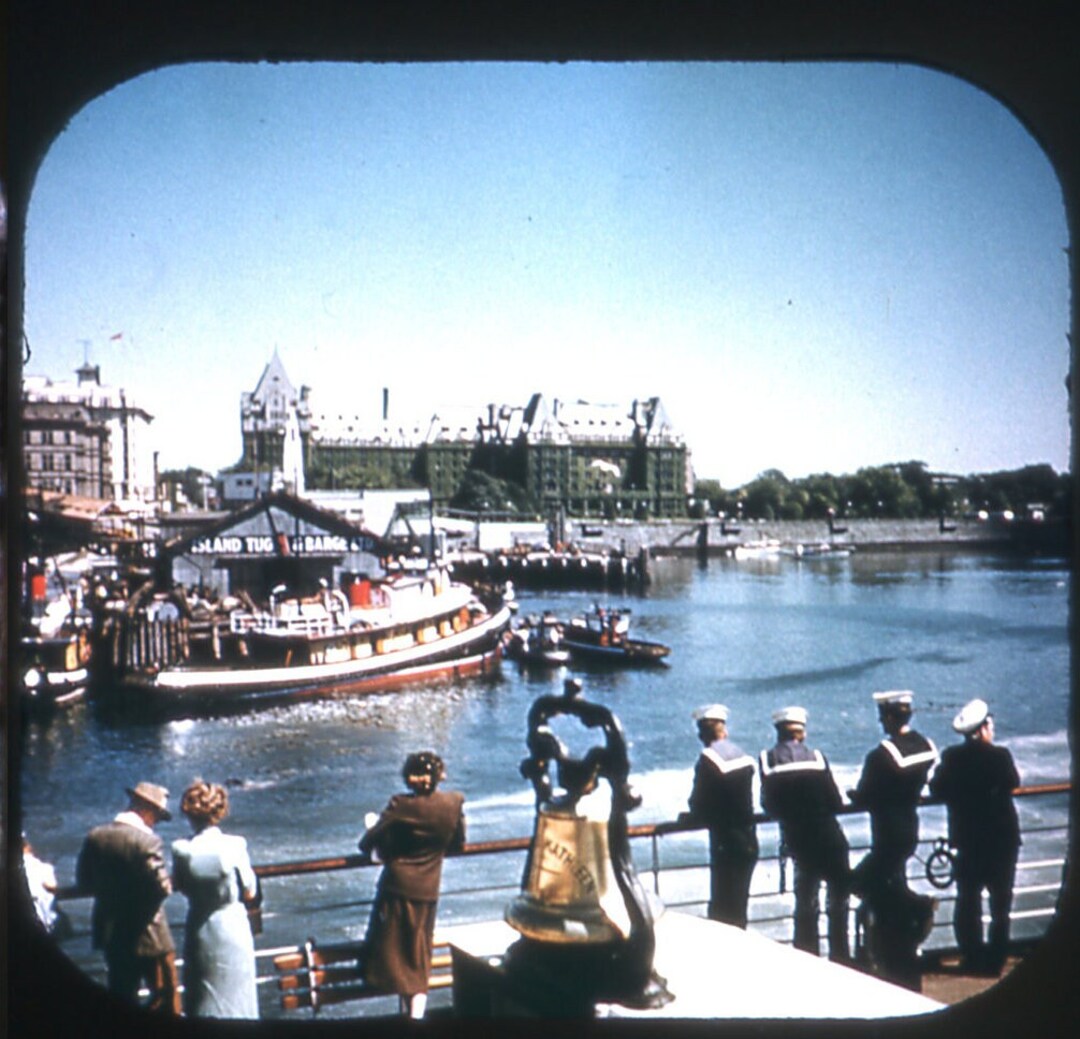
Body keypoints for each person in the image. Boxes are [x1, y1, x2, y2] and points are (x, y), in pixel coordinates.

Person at [358, 750, 466, 1020]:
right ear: (439, 776)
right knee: (418, 952)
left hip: (396, 887)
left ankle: (413, 1015)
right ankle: (416, 1014)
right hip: (429, 889)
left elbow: (367, 843)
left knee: (392, 954)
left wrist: (387, 843)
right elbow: (457, 844)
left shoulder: (401, 805)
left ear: (409, 778)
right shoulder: (453, 803)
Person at [849, 690, 939, 988]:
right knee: (887, 890)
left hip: (887, 833)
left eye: (882, 716)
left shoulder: (881, 756)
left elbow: (865, 793)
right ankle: (898, 948)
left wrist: (855, 796)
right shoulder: (925, 746)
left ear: (889, 717)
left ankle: (919, 907)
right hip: (910, 829)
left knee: (861, 884)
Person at [929, 698, 1021, 976]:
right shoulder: (1000, 756)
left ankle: (972, 956)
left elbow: (936, 789)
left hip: (968, 840)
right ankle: (995, 962)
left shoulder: (952, 758)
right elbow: (1013, 782)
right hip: (1002, 840)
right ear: (983, 729)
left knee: (968, 901)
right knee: (1000, 904)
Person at [76, 781, 180, 1013]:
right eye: (157, 816)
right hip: (149, 931)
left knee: (121, 993)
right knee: (165, 994)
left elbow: (84, 881)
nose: (156, 823)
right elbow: (162, 887)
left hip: (111, 929)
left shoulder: (96, 836)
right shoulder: (147, 842)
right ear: (146, 810)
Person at [759, 706, 852, 963]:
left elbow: (768, 805)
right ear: (802, 733)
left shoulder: (767, 760)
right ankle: (841, 960)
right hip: (831, 838)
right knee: (838, 905)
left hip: (800, 843)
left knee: (806, 907)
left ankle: (807, 960)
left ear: (778, 732)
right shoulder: (818, 758)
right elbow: (835, 802)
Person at [171, 779, 260, 1018]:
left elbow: (178, 884)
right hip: (232, 925)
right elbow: (250, 890)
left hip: (200, 924)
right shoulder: (235, 845)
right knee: (239, 996)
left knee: (202, 993)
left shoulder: (180, 850)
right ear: (220, 811)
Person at [682, 704, 759, 928]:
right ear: (724, 730)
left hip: (726, 843)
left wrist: (689, 817)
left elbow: (698, 803)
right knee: (740, 906)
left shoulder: (708, 759)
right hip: (748, 840)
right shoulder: (744, 756)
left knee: (722, 909)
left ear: (701, 734)